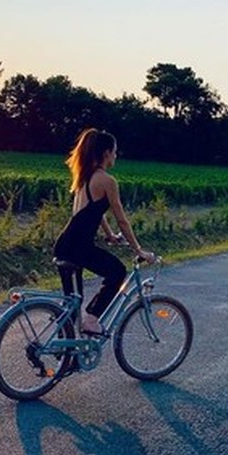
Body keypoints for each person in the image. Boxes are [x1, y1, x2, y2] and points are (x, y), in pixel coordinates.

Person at [54, 128, 154, 336]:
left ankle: (68, 357)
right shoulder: (107, 181)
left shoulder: (84, 178)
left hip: (67, 244)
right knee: (117, 272)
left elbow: (94, 212)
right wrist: (138, 250)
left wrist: (109, 235)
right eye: (115, 152)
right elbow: (122, 220)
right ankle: (92, 320)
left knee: (73, 303)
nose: (116, 156)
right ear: (107, 153)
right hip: (78, 247)